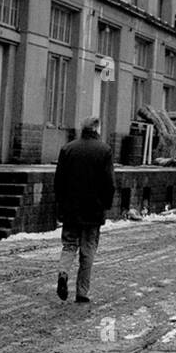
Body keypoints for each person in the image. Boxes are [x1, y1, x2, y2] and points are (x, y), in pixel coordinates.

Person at [54, 116, 115, 304]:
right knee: (88, 250)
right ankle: (82, 292)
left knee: (69, 245)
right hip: (93, 210)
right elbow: (109, 183)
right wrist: (106, 204)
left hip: (71, 209)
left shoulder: (68, 149)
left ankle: (63, 272)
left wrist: (61, 205)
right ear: (97, 129)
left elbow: (59, 181)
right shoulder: (104, 150)